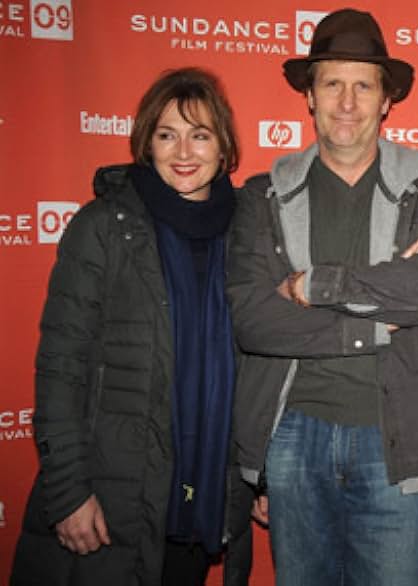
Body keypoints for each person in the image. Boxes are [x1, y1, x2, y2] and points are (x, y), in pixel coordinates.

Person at [225, 8, 418, 586]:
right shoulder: (263, 194)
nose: (347, 102)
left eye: (364, 85)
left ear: (387, 100)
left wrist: (316, 286)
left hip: (398, 442)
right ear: (308, 95)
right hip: (291, 438)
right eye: (331, 83)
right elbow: (254, 320)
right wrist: (376, 323)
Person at [11, 67, 246, 586]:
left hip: (200, 497)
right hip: (111, 499)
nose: (183, 150)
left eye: (199, 134)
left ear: (224, 146)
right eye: (167, 135)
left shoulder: (247, 233)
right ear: (147, 144)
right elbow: (60, 368)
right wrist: (68, 491)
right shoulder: (103, 226)